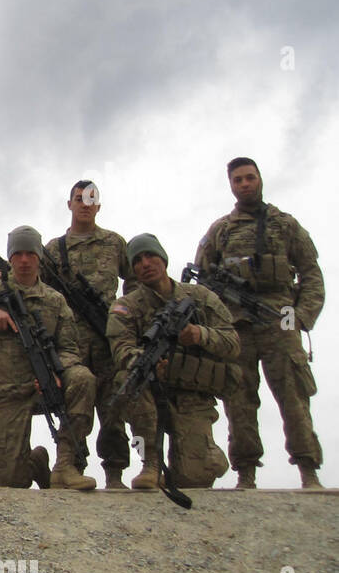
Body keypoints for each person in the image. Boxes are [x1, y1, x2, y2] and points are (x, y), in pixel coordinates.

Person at [194, 157, 325, 489]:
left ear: (260, 179)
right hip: (237, 326)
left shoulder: (286, 225)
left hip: (280, 321)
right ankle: (245, 472)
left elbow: (311, 275)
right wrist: (215, 328)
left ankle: (308, 469)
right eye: (238, 180)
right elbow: (202, 284)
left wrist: (302, 317)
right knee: (238, 399)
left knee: (294, 396)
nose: (245, 184)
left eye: (249, 178)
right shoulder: (220, 230)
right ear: (231, 185)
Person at [0, 226, 97, 490]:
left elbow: (69, 348)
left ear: (39, 256)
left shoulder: (55, 300)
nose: (24, 260)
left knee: (82, 378)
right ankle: (34, 463)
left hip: (45, 385)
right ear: (9, 257)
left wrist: (57, 371)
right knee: (10, 481)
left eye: (30, 253)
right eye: (17, 253)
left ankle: (66, 466)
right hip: (5, 390)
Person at [109, 234, 239, 489]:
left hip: (193, 394)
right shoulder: (125, 306)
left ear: (163, 259)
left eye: (150, 256)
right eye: (138, 261)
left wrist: (200, 334)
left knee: (194, 478)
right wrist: (141, 360)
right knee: (127, 380)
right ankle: (151, 464)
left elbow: (233, 343)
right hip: (153, 390)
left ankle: (206, 455)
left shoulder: (201, 297)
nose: (145, 264)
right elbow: (121, 348)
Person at [39, 180, 135, 488]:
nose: (84, 204)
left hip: (108, 337)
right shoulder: (54, 251)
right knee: (75, 402)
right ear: (69, 204)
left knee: (113, 404)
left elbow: (135, 284)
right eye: (78, 199)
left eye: (90, 199)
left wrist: (128, 317)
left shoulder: (114, 243)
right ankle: (69, 467)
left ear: (98, 205)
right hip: (70, 341)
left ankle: (115, 472)